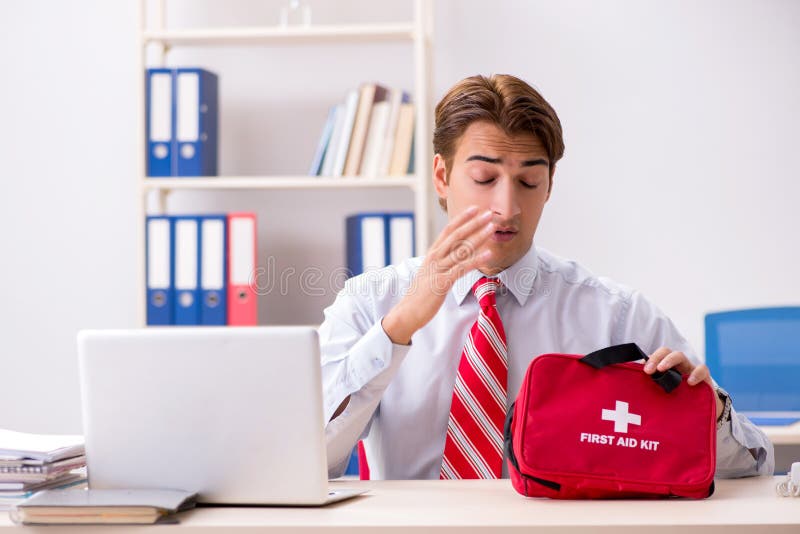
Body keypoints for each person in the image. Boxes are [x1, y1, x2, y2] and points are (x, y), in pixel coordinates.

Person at [320, 74, 774, 480]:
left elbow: (755, 464)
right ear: (441, 176)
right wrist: (396, 329)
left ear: (550, 185)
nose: (507, 207)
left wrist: (706, 411)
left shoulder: (615, 315)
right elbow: (311, 461)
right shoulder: (370, 301)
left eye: (528, 182)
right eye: (484, 177)